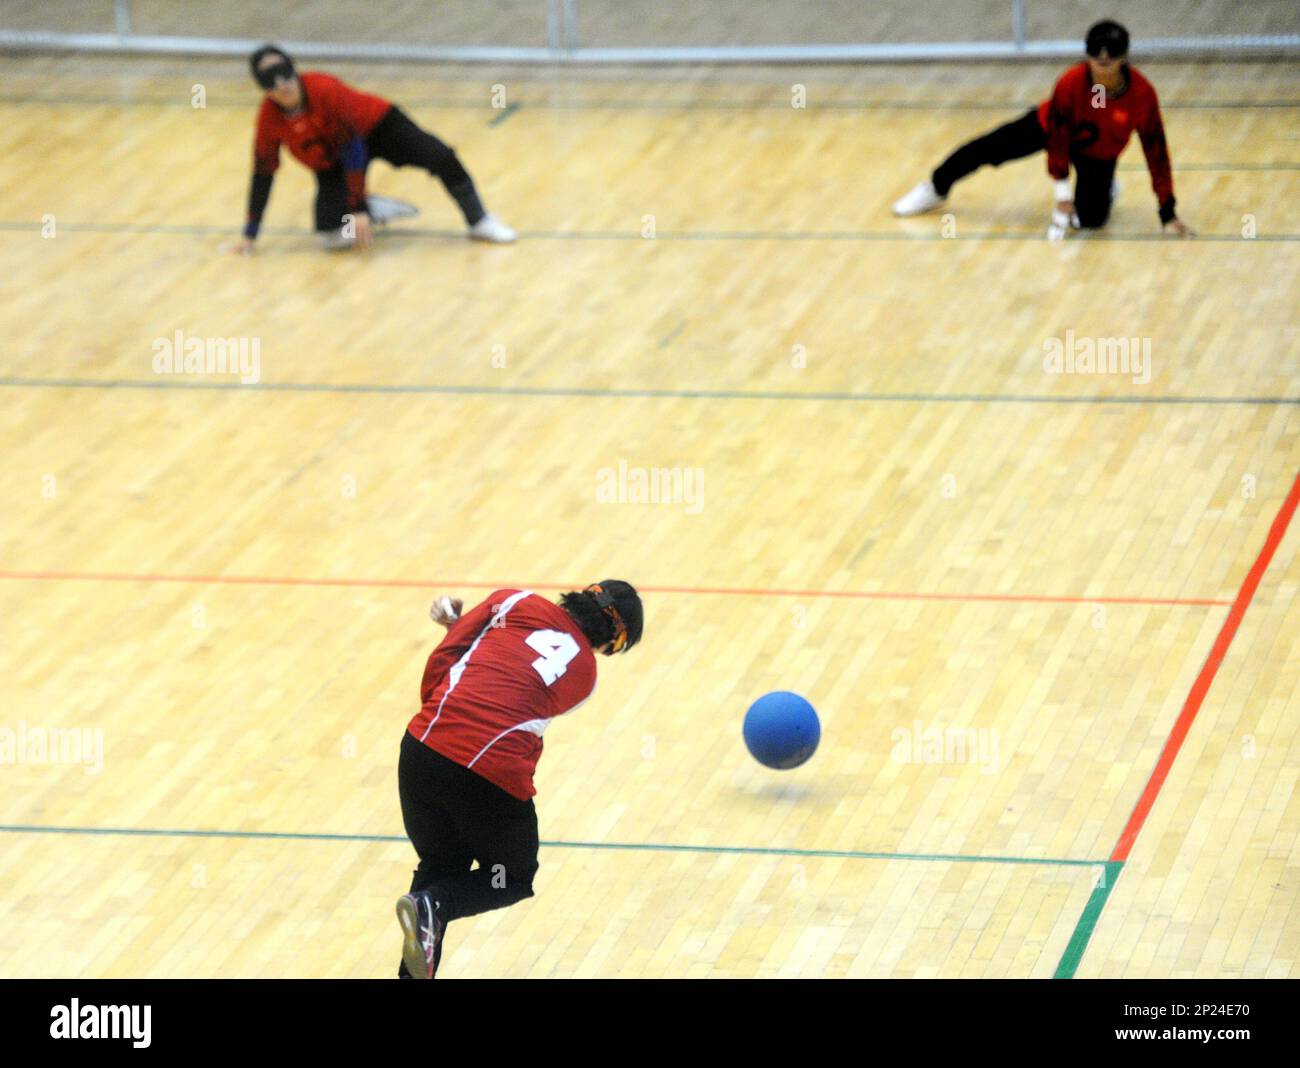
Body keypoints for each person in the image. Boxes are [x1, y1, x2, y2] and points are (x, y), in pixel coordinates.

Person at [395, 581, 643, 978]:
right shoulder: (584, 677)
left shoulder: (516, 600)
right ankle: (433, 906)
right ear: (612, 638)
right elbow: (516, 694)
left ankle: (427, 917)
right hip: (486, 772)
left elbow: (454, 655)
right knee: (510, 878)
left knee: (442, 868)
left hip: (420, 750)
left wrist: (436, 718)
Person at [892, 21, 1193, 239]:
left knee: (1090, 221)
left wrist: (1167, 211)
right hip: (1051, 128)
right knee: (987, 148)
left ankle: (1105, 187)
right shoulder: (1071, 82)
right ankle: (935, 188)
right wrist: (1062, 193)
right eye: (1094, 62)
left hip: (1099, 152)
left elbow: (1156, 152)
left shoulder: (1142, 95)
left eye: (1109, 63)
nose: (1100, 70)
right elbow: (1059, 139)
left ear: (1123, 58)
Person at [232, 45, 515, 253]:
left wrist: (356, 207)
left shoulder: (325, 89)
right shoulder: (269, 119)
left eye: (284, 73)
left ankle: (480, 221)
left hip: (377, 127)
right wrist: (250, 233)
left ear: (294, 69)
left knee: (441, 156)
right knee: (330, 237)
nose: (281, 84)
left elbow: (353, 146)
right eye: (270, 79)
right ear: (262, 87)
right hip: (331, 161)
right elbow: (263, 173)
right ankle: (374, 208)